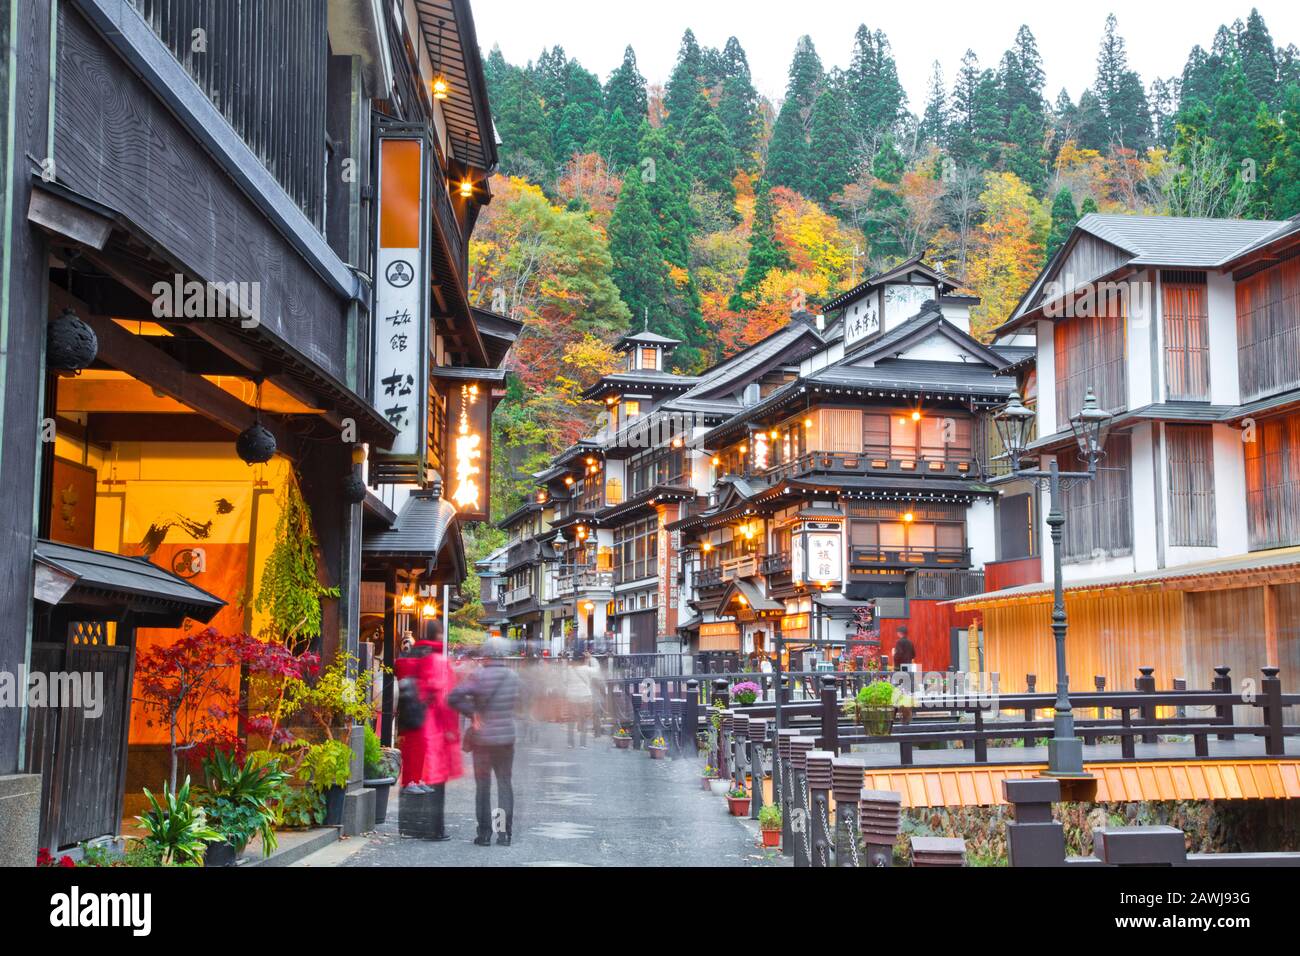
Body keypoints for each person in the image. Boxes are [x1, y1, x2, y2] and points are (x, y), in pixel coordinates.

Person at [392, 623, 463, 841]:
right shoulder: (438, 661)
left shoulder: (410, 658)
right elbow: (445, 699)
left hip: (412, 725)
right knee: (434, 780)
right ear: (440, 635)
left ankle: (409, 827)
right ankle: (434, 829)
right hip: (433, 729)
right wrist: (452, 730)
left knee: (412, 779)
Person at [449, 637, 521, 846]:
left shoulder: (478, 675)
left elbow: (454, 697)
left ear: (486, 655)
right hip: (506, 738)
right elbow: (522, 700)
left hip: (483, 739)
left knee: (484, 786)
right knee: (504, 784)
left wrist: (473, 714)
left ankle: (484, 834)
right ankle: (503, 833)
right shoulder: (513, 676)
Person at [563, 651, 597, 748]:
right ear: (583, 660)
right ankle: (583, 744)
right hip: (585, 696)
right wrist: (591, 658)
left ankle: (570, 743)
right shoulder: (586, 669)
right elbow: (596, 671)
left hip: (572, 696)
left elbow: (564, 679)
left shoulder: (569, 669)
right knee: (584, 720)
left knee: (571, 720)